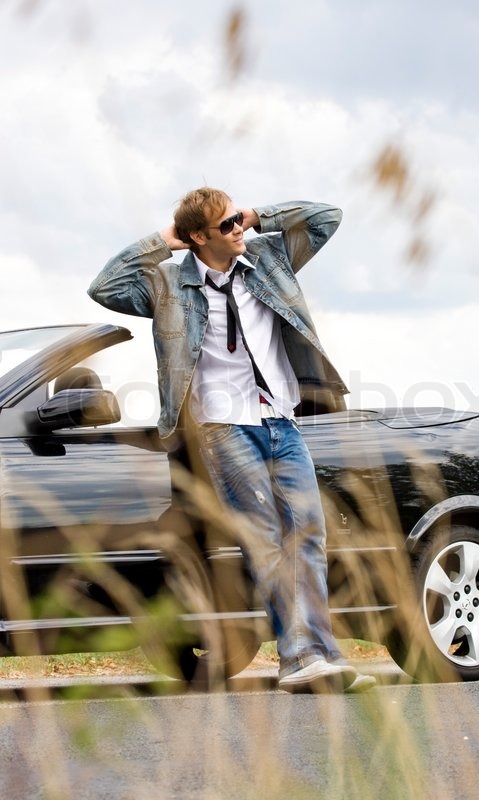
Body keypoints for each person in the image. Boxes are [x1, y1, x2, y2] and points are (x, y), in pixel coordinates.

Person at [88, 189, 375, 693]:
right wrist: (163, 241)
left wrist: (259, 215)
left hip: (280, 419)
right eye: (225, 226)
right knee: (265, 540)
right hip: (222, 428)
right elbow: (105, 285)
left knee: (308, 533)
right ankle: (299, 657)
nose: (237, 229)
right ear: (198, 237)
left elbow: (328, 217)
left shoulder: (269, 258)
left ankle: (320, 654)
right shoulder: (167, 285)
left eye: (237, 220)